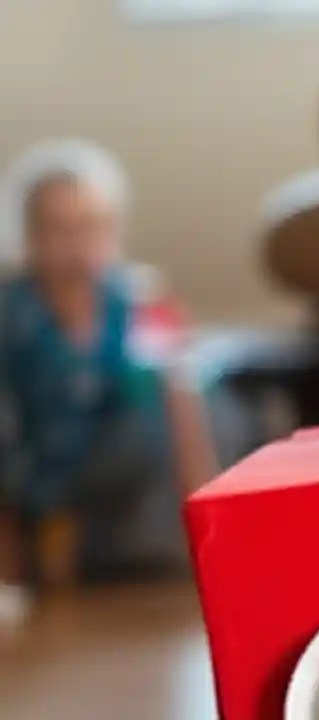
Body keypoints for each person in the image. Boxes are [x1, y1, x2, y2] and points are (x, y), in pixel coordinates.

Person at [0, 140, 214, 615]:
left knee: (202, 409)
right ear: (27, 238)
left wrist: (205, 519)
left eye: (90, 227)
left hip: (117, 466)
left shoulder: (137, 297)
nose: (75, 245)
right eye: (57, 230)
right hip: (41, 473)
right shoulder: (14, 314)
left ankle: (171, 545)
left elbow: (180, 398)